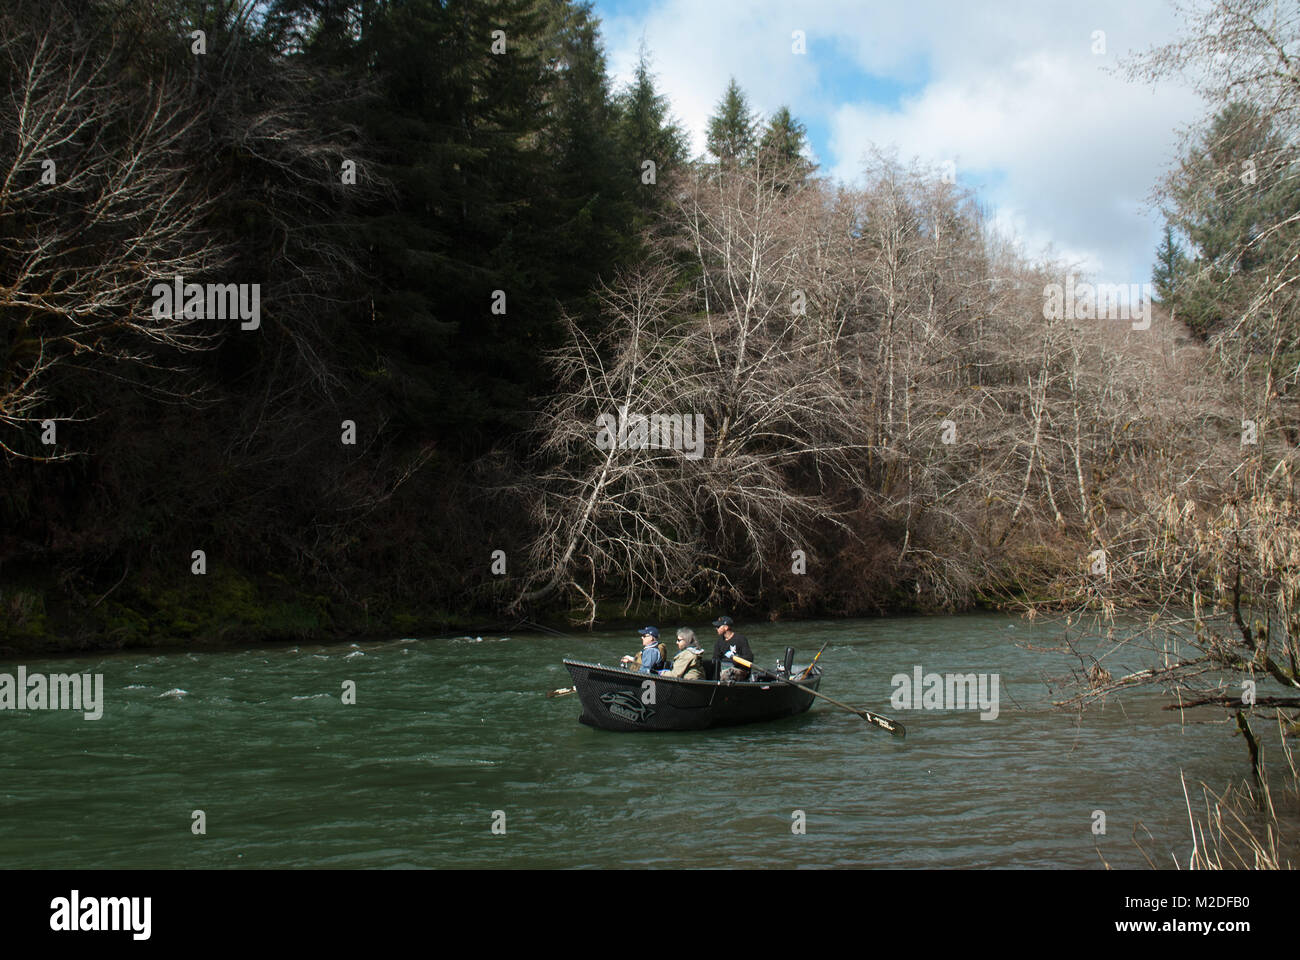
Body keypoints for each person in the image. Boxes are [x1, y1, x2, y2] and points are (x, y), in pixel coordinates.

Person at [711, 616, 754, 682]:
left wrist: (735, 659)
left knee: (726, 674)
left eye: (718, 627)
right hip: (724, 669)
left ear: (726, 627)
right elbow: (715, 659)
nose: (716, 628)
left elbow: (749, 658)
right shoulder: (719, 642)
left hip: (740, 670)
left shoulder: (740, 639)